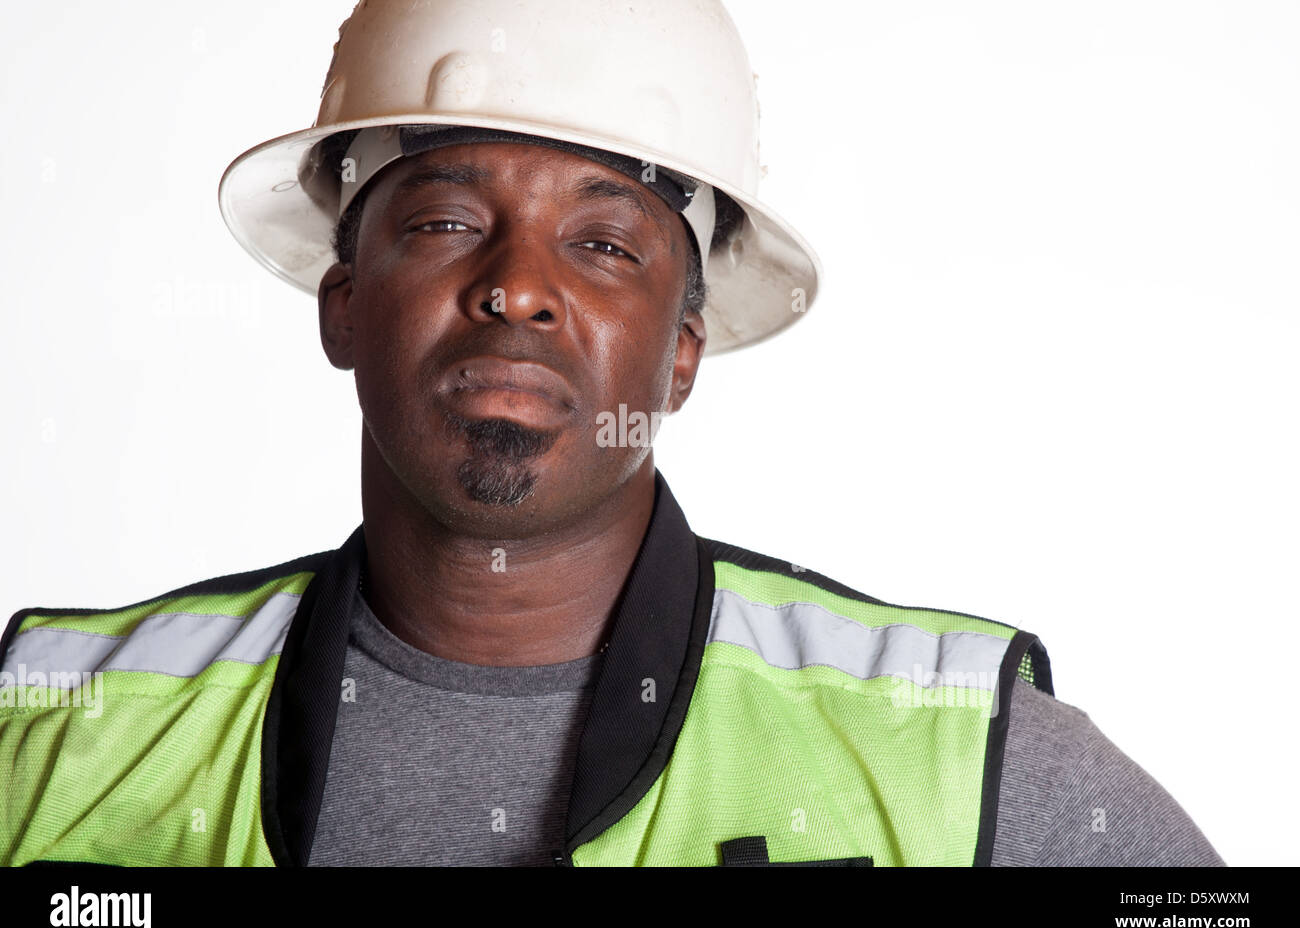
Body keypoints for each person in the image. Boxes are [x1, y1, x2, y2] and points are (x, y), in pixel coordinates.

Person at [0, 0, 1222, 867]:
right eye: (440, 221)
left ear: (681, 349)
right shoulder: (49, 737)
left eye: (602, 244)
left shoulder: (966, 765)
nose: (516, 288)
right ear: (341, 300)